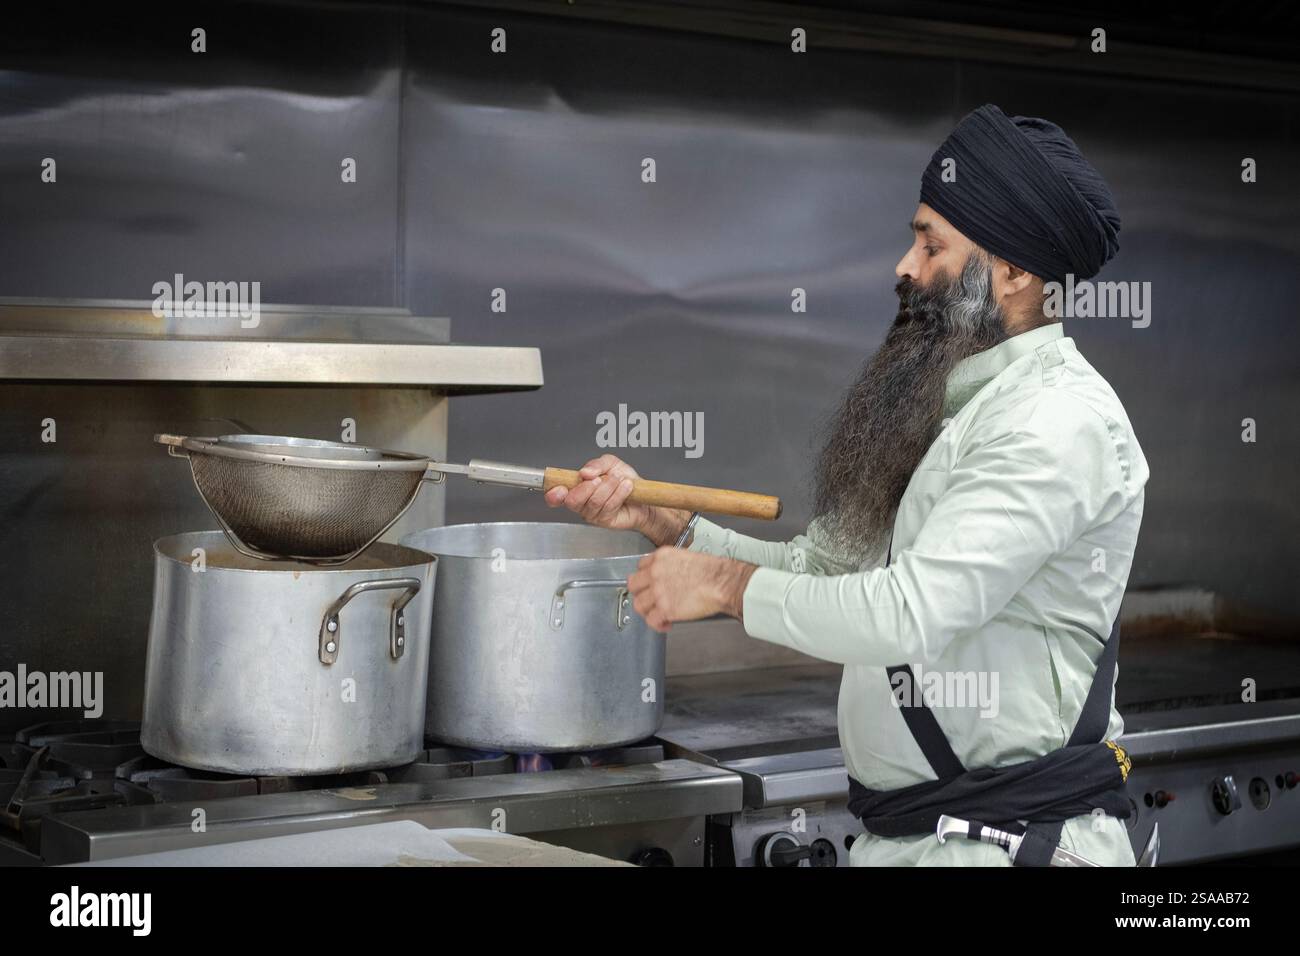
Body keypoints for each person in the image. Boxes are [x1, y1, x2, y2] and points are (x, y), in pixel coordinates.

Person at [546, 104, 1147, 866]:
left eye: (931, 244)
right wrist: (676, 528)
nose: (905, 265)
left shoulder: (1054, 420)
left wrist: (726, 586)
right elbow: (829, 570)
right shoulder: (959, 406)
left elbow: (912, 612)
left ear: (1017, 273)